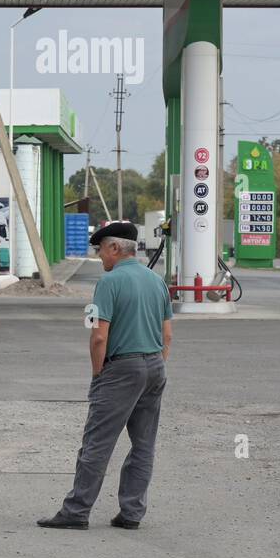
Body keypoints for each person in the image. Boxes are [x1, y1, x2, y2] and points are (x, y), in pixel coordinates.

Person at [38, 221, 172, 530]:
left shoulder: (108, 283)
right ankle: (132, 512)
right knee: (143, 444)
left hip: (121, 369)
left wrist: (100, 373)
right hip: (154, 366)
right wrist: (155, 364)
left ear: (114, 248)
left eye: (100, 250)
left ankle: (76, 512)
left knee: (97, 443)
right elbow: (168, 335)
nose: (100, 257)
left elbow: (99, 336)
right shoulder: (156, 281)